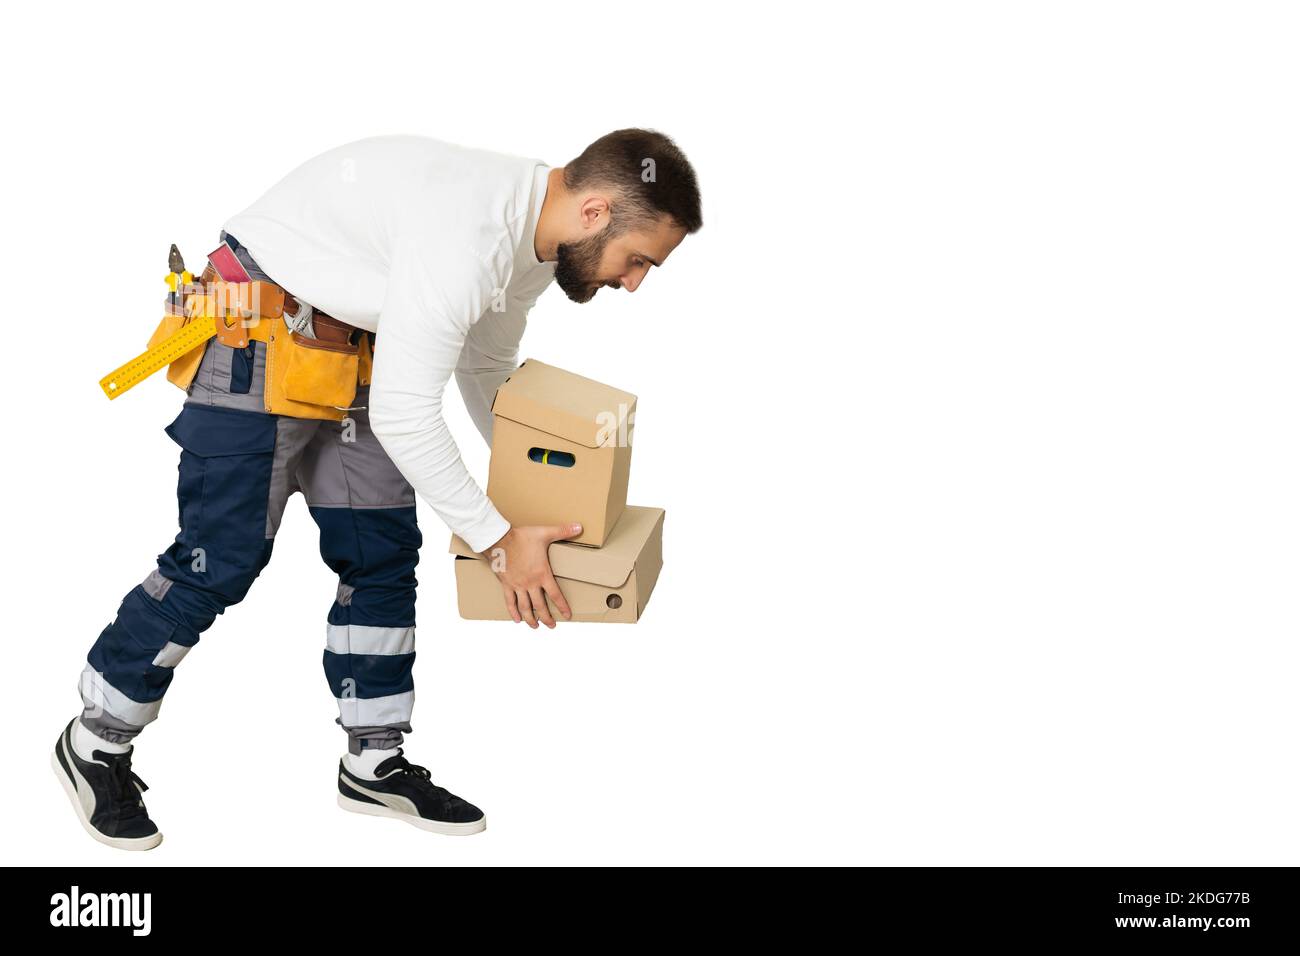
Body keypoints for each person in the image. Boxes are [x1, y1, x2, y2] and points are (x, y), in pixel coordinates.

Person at [53, 130, 702, 849]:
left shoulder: (529, 247)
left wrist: (538, 498)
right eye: (638, 259)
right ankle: (95, 742)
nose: (635, 282)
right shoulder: (470, 233)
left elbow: (485, 369)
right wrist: (495, 542)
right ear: (595, 212)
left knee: (382, 555)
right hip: (256, 341)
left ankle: (373, 762)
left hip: (358, 352)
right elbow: (406, 412)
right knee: (220, 558)